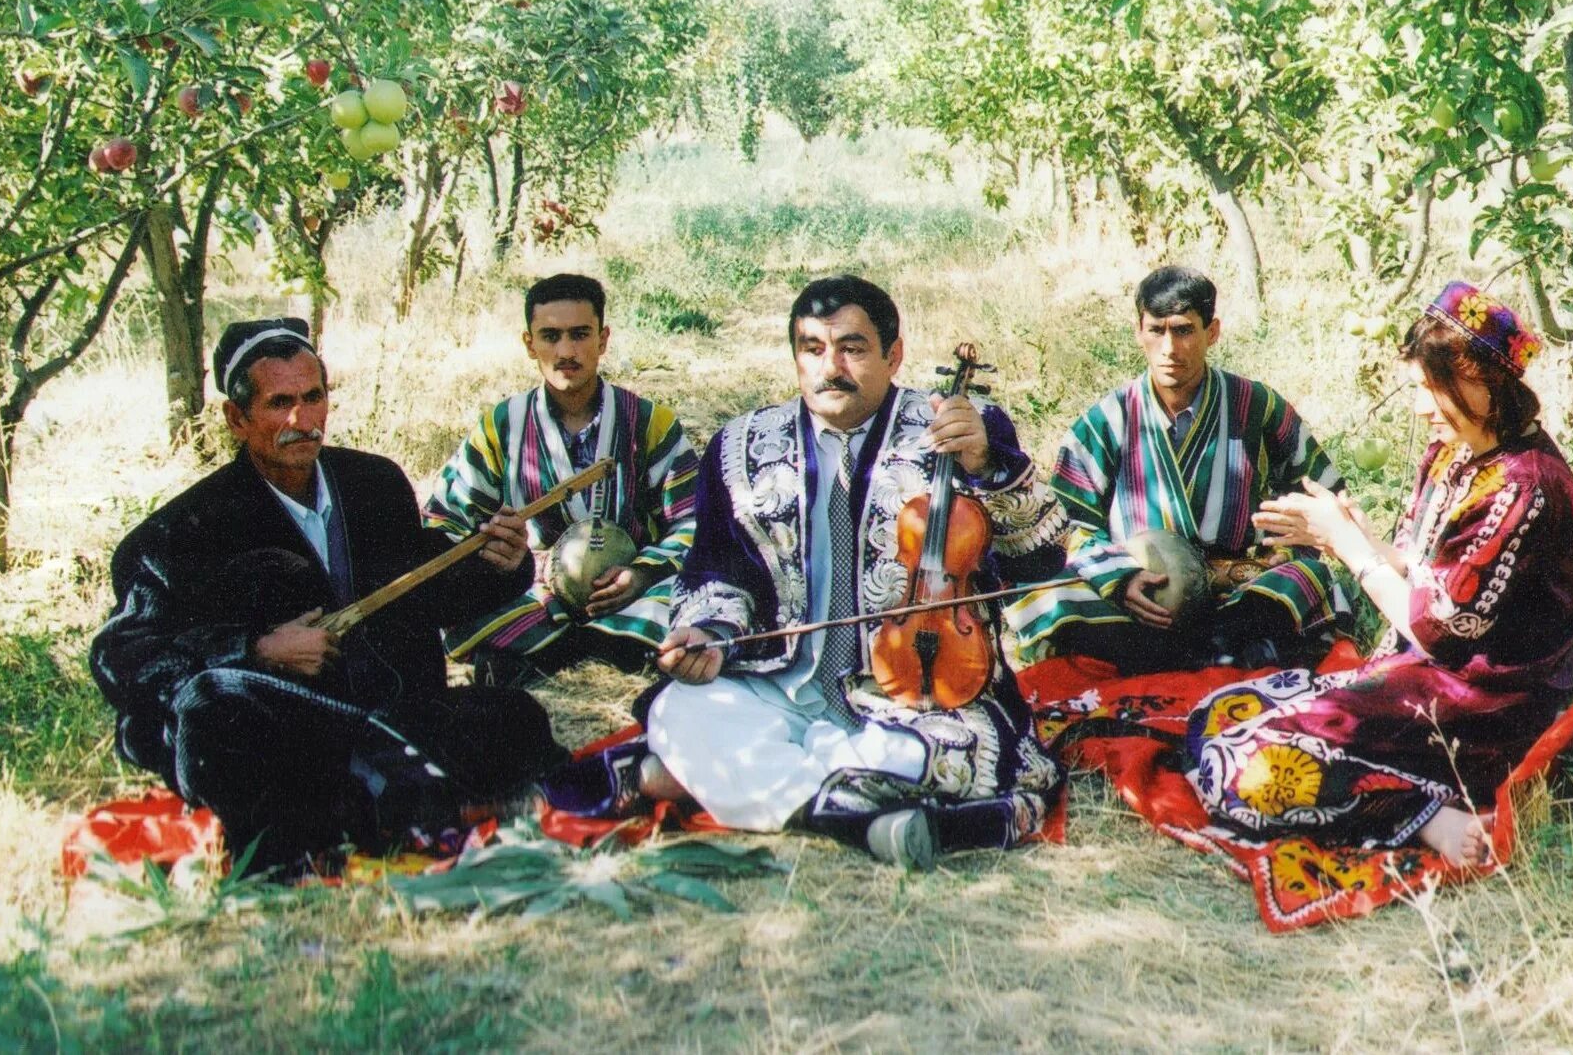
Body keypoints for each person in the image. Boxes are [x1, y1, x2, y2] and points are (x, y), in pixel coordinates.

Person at [564, 275, 1070, 868]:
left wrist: (985, 467)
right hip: (776, 684)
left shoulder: (963, 428)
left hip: (918, 696)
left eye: (852, 348)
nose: (831, 368)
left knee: (937, 752)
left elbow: (1042, 556)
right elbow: (717, 570)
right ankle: (852, 813)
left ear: (894, 355)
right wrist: (709, 633)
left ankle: (711, 779)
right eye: (812, 348)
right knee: (680, 710)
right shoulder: (738, 446)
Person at [90, 318, 569, 875]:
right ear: (236, 419)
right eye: (280, 403)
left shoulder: (374, 485)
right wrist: (256, 651)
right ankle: (399, 804)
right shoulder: (187, 529)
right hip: (290, 740)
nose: (302, 420)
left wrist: (500, 564)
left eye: (313, 397)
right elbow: (120, 655)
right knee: (213, 711)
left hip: (391, 721)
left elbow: (429, 592)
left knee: (513, 717)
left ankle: (376, 805)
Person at [1187, 282, 1573, 867]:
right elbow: (1420, 564)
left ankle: (1422, 814)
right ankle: (1409, 796)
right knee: (1218, 715)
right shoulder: (1456, 449)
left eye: (1431, 389)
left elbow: (1435, 629)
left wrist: (1349, 545)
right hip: (1420, 674)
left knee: (1245, 773)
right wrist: (1337, 533)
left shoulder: (1525, 488)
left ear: (1482, 382)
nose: (1421, 408)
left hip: (1483, 703)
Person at [1006, 265, 1351, 670]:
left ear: (1212, 332)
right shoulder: (1106, 420)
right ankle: (1219, 654)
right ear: (1138, 332)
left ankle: (1188, 650)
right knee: (1045, 597)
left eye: (1184, 330)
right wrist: (1121, 580)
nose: (1169, 348)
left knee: (1308, 577)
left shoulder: (1257, 407)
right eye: (1156, 330)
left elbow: (1320, 494)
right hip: (1141, 598)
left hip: (1236, 592)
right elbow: (1069, 522)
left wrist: (1286, 550)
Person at [423, 274, 698, 684]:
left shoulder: (650, 422)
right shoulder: (501, 427)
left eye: (580, 334)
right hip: (536, 596)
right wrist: (495, 550)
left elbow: (693, 519)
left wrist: (641, 574)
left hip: (630, 593)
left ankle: (550, 652)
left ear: (602, 340)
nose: (566, 351)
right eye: (550, 336)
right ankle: (604, 647)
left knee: (690, 599)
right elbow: (444, 521)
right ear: (529, 343)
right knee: (463, 618)